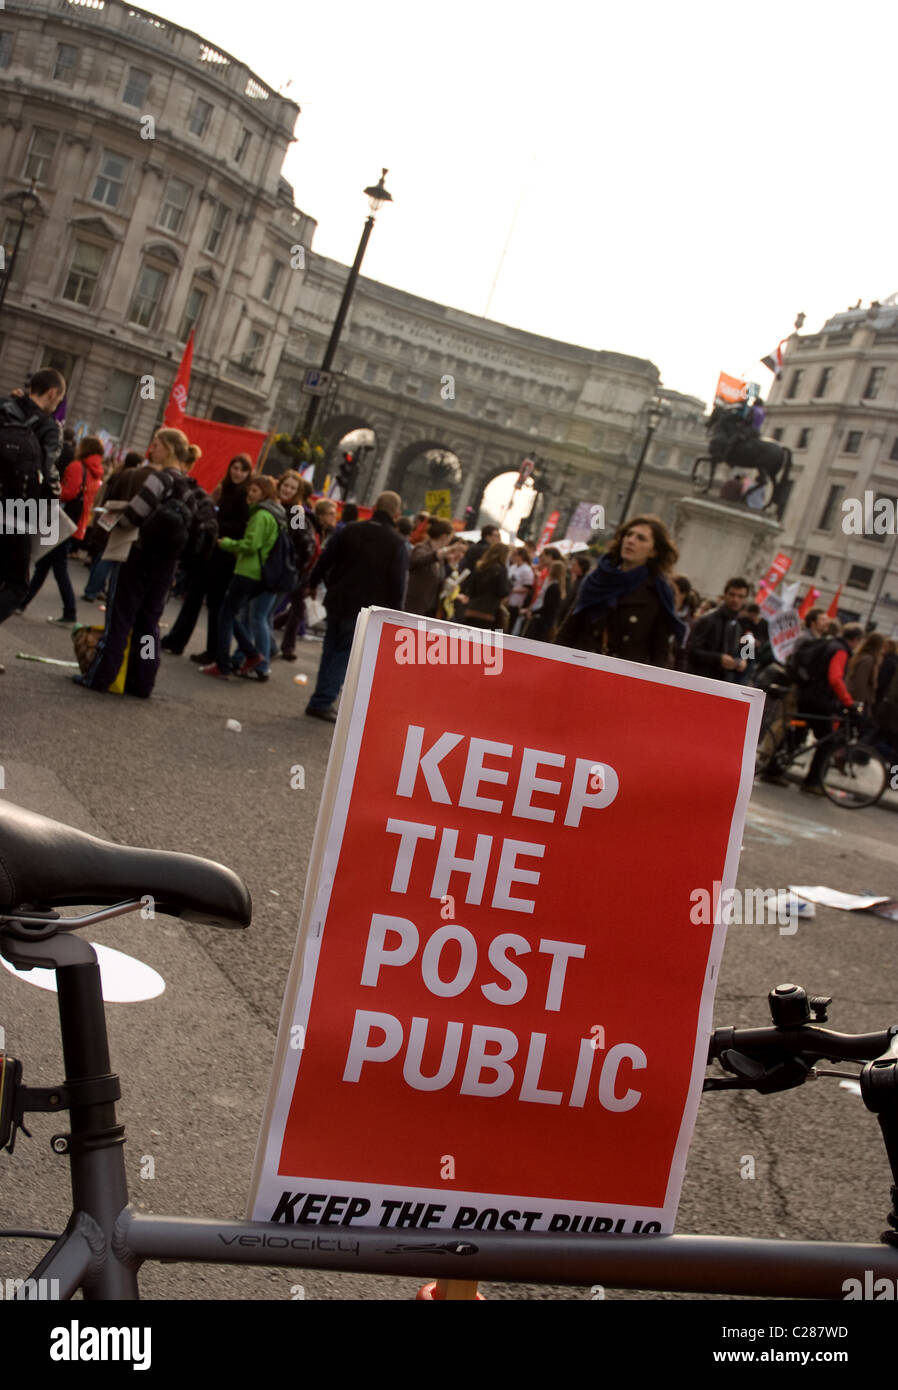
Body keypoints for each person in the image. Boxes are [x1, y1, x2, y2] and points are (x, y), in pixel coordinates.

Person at [77, 427, 202, 697]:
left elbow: (134, 515)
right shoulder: (190, 488)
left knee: (120, 619)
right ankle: (142, 681)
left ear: (168, 448)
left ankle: (102, 674)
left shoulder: (160, 479)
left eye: (156, 444)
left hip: (138, 556)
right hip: (166, 565)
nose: (151, 449)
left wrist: (113, 518)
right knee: (148, 624)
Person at [304, 490, 408, 721]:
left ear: (373, 506)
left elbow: (325, 559)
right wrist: (395, 614)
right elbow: (398, 583)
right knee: (344, 655)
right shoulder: (396, 543)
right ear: (397, 514)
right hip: (367, 609)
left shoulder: (349, 530)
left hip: (338, 598)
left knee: (330, 649)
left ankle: (320, 696)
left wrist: (312, 583)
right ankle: (322, 701)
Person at [555, 515, 685, 667]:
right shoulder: (597, 580)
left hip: (621, 679)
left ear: (653, 552)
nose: (631, 540)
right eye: (629, 534)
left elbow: (659, 652)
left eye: (641, 538)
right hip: (581, 670)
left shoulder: (658, 592)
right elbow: (568, 631)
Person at [0, 369, 67, 650]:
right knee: (16, 584)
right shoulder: (50, 427)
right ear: (52, 393)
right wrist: (50, 512)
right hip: (19, 508)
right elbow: (48, 472)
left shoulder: (5, 405)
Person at [161, 454, 250, 660]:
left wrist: (216, 524)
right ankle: (178, 640)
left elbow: (241, 527)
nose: (237, 473)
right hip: (209, 552)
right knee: (194, 599)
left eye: (242, 470)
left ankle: (219, 652)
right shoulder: (224, 489)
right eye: (235, 468)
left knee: (217, 606)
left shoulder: (243, 496)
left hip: (224, 556)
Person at [201, 473, 284, 680]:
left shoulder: (262, 515)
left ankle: (235, 661)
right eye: (250, 490)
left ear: (265, 493)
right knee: (235, 614)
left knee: (239, 615)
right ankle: (249, 655)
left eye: (255, 490)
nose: (250, 494)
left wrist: (228, 543)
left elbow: (251, 544)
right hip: (259, 572)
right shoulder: (274, 515)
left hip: (249, 570)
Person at [22, 433, 105, 625]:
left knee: (56, 568)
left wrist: (54, 488)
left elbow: (68, 492)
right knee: (45, 565)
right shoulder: (96, 470)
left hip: (61, 520)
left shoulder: (78, 466)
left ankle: (69, 612)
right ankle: (22, 602)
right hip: (75, 522)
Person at [798, 622, 864, 793]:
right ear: (855, 640)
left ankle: (774, 768)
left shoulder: (829, 643)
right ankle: (812, 782)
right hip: (820, 700)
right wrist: (848, 702)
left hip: (807, 693)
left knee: (798, 731)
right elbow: (835, 678)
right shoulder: (840, 650)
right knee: (827, 741)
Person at [685, 576, 751, 682]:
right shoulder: (708, 619)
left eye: (740, 596)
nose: (735, 599)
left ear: (745, 600)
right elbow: (691, 650)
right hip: (700, 680)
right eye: (732, 594)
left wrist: (741, 661)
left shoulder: (738, 625)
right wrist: (718, 658)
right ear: (725, 595)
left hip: (723, 683)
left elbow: (737, 650)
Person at [404, 517, 454, 616]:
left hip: (428, 609)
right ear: (444, 537)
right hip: (413, 606)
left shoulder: (440, 557)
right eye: (449, 538)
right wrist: (436, 555)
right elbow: (418, 560)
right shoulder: (421, 548)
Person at [456, 541, 511, 630]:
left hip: (472, 608)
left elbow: (471, 587)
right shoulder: (501, 569)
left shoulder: (480, 566)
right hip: (488, 612)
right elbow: (502, 591)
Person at [525, 559, 566, 641]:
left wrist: (533, 612)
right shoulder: (551, 584)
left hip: (542, 621)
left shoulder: (554, 587)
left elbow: (548, 606)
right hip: (542, 618)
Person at [507, 546, 534, 634]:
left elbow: (527, 588)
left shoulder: (527, 569)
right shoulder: (513, 567)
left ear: (521, 556)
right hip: (507, 600)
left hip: (516, 602)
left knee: (509, 627)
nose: (513, 557)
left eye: (515, 555)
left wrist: (513, 590)